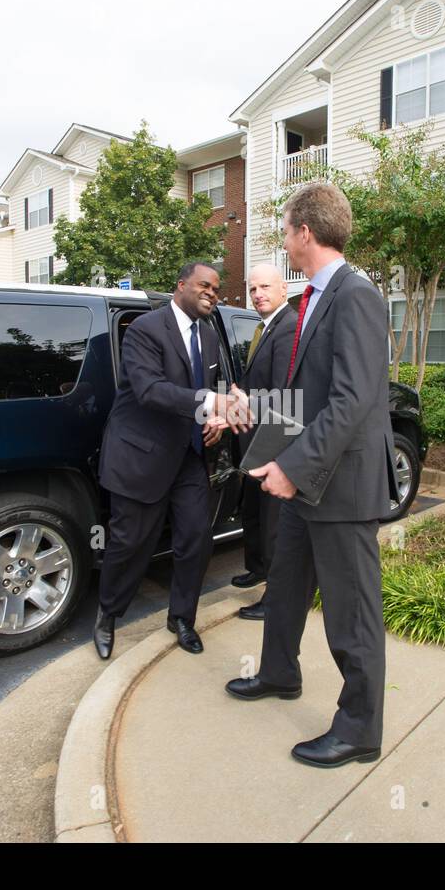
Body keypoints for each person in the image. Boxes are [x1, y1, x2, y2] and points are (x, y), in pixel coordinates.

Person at [224, 182, 398, 768]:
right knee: (288, 584)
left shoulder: (354, 295)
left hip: (342, 487)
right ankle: (279, 673)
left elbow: (351, 401)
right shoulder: (315, 297)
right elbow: (310, 395)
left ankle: (359, 730)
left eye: (287, 230)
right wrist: (268, 451)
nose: (285, 240)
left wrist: (294, 470)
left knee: (353, 616)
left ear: (305, 232)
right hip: (307, 478)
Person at [93, 262, 250, 660]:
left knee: (196, 541)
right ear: (180, 286)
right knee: (129, 545)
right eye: (204, 285)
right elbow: (150, 391)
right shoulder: (145, 330)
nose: (212, 293)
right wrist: (212, 403)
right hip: (141, 457)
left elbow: (206, 390)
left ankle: (181, 618)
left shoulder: (211, 336)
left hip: (189, 457)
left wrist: (214, 419)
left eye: (217, 288)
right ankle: (108, 615)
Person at [231, 264, 299, 620]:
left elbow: (285, 396)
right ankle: (257, 568)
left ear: (284, 290)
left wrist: (248, 402)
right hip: (254, 438)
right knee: (254, 511)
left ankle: (275, 596)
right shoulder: (264, 327)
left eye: (265, 287)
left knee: (274, 522)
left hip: (274, 441)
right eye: (253, 288)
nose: (258, 294)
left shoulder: (287, 328)